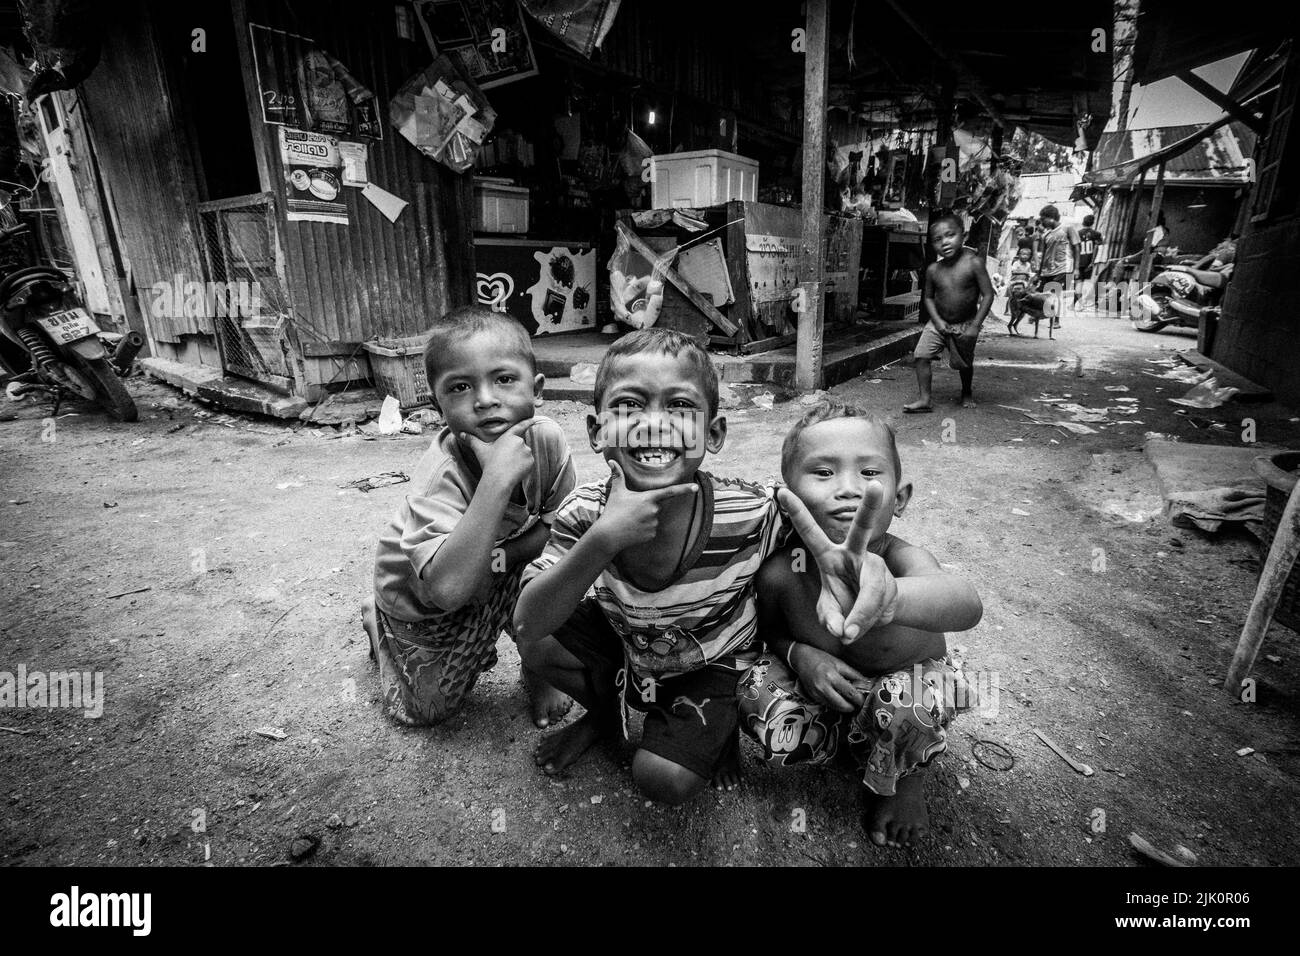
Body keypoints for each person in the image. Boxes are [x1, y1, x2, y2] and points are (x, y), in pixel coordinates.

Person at [515, 328, 786, 805]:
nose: (654, 424)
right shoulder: (585, 512)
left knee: (662, 778)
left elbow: (829, 538)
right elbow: (529, 623)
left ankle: (716, 730)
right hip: (627, 646)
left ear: (713, 433)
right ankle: (605, 715)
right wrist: (605, 538)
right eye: (629, 406)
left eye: (680, 407)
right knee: (539, 643)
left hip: (711, 663)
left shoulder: (749, 511)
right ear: (597, 432)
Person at [741, 401, 983, 846]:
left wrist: (891, 598)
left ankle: (906, 780)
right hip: (832, 691)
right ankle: (849, 744)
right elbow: (768, 632)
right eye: (824, 473)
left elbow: (965, 603)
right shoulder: (780, 571)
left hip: (907, 691)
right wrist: (801, 656)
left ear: (901, 496)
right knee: (751, 687)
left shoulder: (900, 558)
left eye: (870, 473)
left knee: (907, 701)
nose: (849, 489)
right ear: (786, 496)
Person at [363, 305, 576, 728]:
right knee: (426, 711)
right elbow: (447, 589)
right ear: (437, 404)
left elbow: (559, 530)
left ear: (536, 389)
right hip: (423, 599)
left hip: (491, 569)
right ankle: (377, 624)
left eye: (504, 379)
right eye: (460, 387)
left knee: (556, 576)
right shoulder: (440, 475)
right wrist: (496, 481)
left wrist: (503, 559)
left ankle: (536, 667)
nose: (485, 399)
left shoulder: (548, 442)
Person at [904, 212, 994, 412]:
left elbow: (988, 295)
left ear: (964, 235)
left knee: (964, 363)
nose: (944, 242)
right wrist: (936, 321)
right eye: (937, 239)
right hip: (938, 322)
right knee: (921, 355)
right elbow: (927, 297)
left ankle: (967, 391)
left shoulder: (974, 263)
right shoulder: (933, 270)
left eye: (950, 235)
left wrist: (975, 326)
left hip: (965, 323)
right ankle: (925, 399)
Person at [1036, 205, 1079, 328]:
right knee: (1043, 294)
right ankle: (1040, 316)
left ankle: (1056, 320)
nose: (1042, 221)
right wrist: (1039, 273)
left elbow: (1076, 247)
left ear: (1051, 218)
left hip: (1063, 268)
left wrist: (1076, 268)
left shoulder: (1068, 228)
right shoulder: (1046, 235)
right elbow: (1044, 254)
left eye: (1043, 218)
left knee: (1055, 293)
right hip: (1047, 270)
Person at [1073, 213, 1102, 311]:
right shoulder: (1097, 234)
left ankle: (1077, 304)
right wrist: (1093, 261)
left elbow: (1074, 249)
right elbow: (1098, 247)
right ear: (1093, 223)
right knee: (1088, 283)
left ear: (1082, 222)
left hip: (1078, 261)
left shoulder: (1077, 233)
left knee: (1078, 283)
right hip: (1090, 261)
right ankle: (1083, 304)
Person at [1005, 246, 1035, 335]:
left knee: (1022, 311)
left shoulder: (1028, 265)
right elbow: (1014, 272)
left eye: (1027, 255)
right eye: (1023, 254)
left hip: (1024, 286)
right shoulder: (1016, 263)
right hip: (1015, 284)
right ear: (1019, 255)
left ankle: (1015, 326)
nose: (1025, 256)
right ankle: (1010, 325)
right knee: (1015, 310)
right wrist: (1025, 273)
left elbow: (1029, 275)